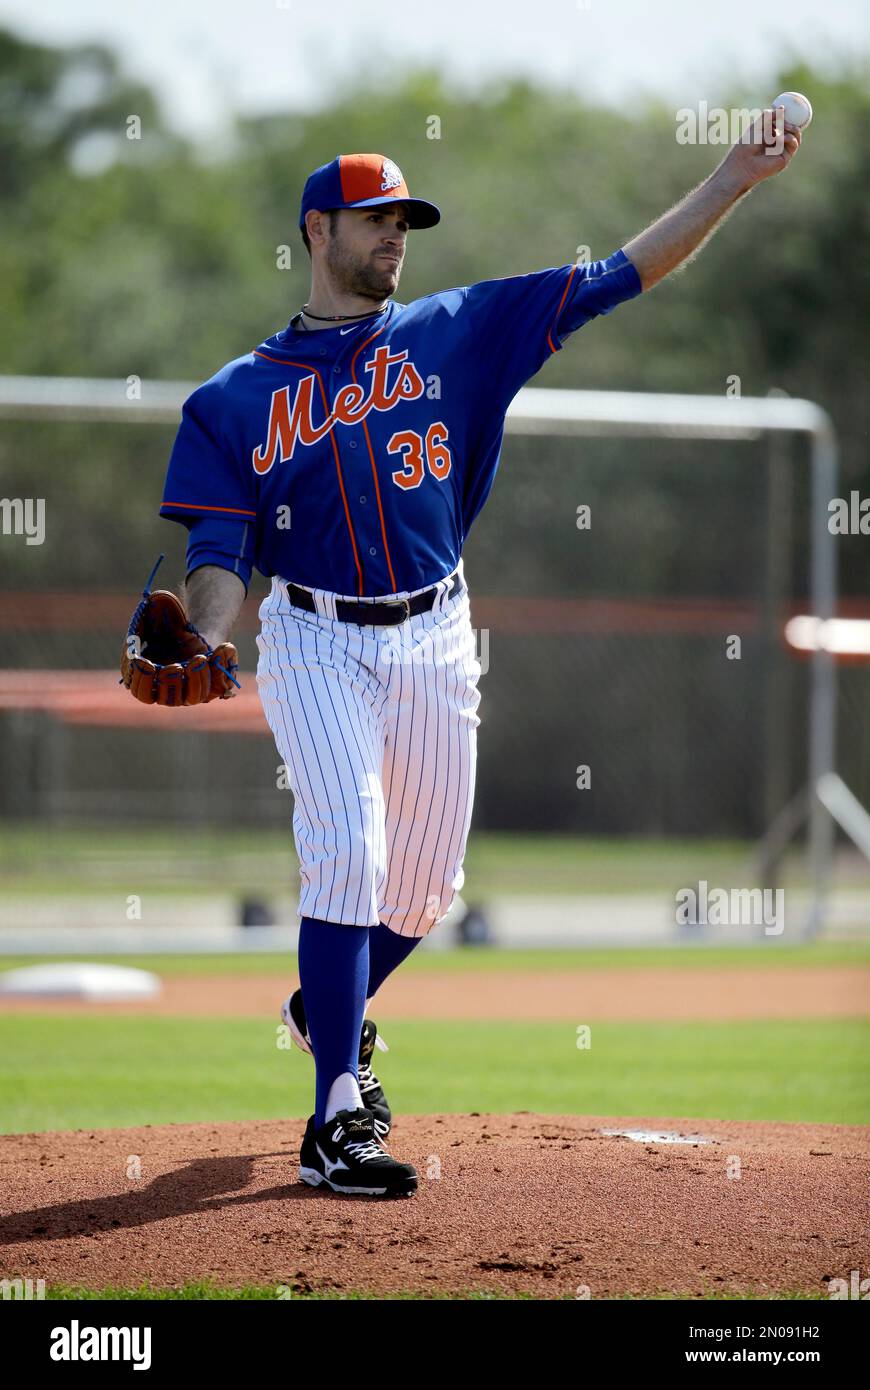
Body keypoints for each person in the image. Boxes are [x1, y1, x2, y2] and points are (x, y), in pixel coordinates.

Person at [159, 116, 802, 1197]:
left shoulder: (467, 327)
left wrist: (730, 177)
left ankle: (328, 1007)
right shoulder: (233, 400)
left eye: (406, 219)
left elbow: (617, 276)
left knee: (421, 891)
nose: (396, 236)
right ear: (317, 229)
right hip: (315, 635)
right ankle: (335, 1118)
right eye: (375, 219)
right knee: (348, 851)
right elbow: (218, 551)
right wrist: (204, 631)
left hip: (439, 629)